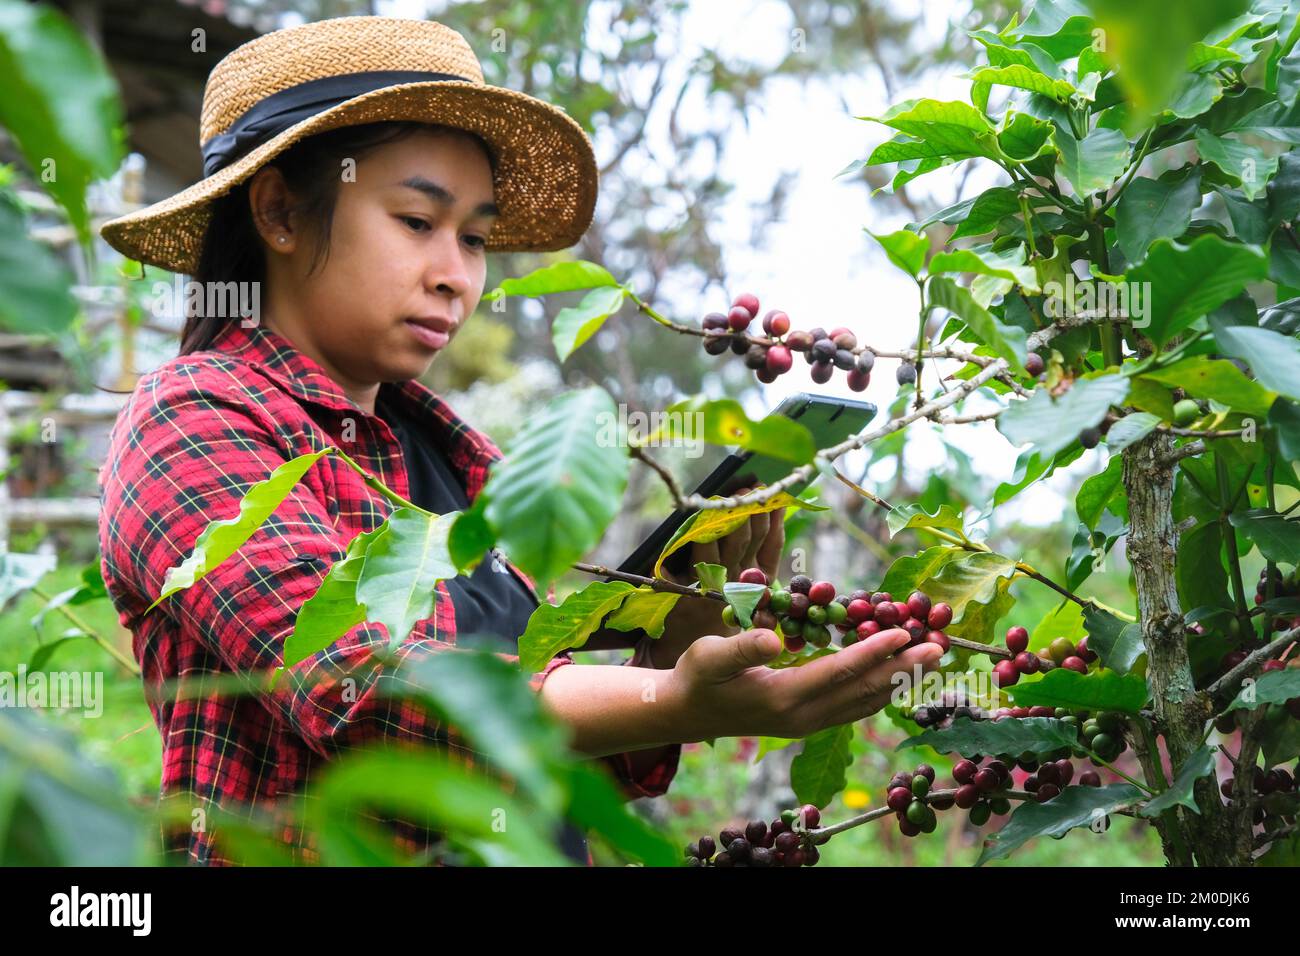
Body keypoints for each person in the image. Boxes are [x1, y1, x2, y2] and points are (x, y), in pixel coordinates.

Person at [96, 16, 941, 865]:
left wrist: (676, 644)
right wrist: (678, 701)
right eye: (417, 221)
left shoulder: (466, 464)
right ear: (279, 210)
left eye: (474, 237)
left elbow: (527, 761)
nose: (456, 275)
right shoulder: (189, 419)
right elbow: (358, 693)